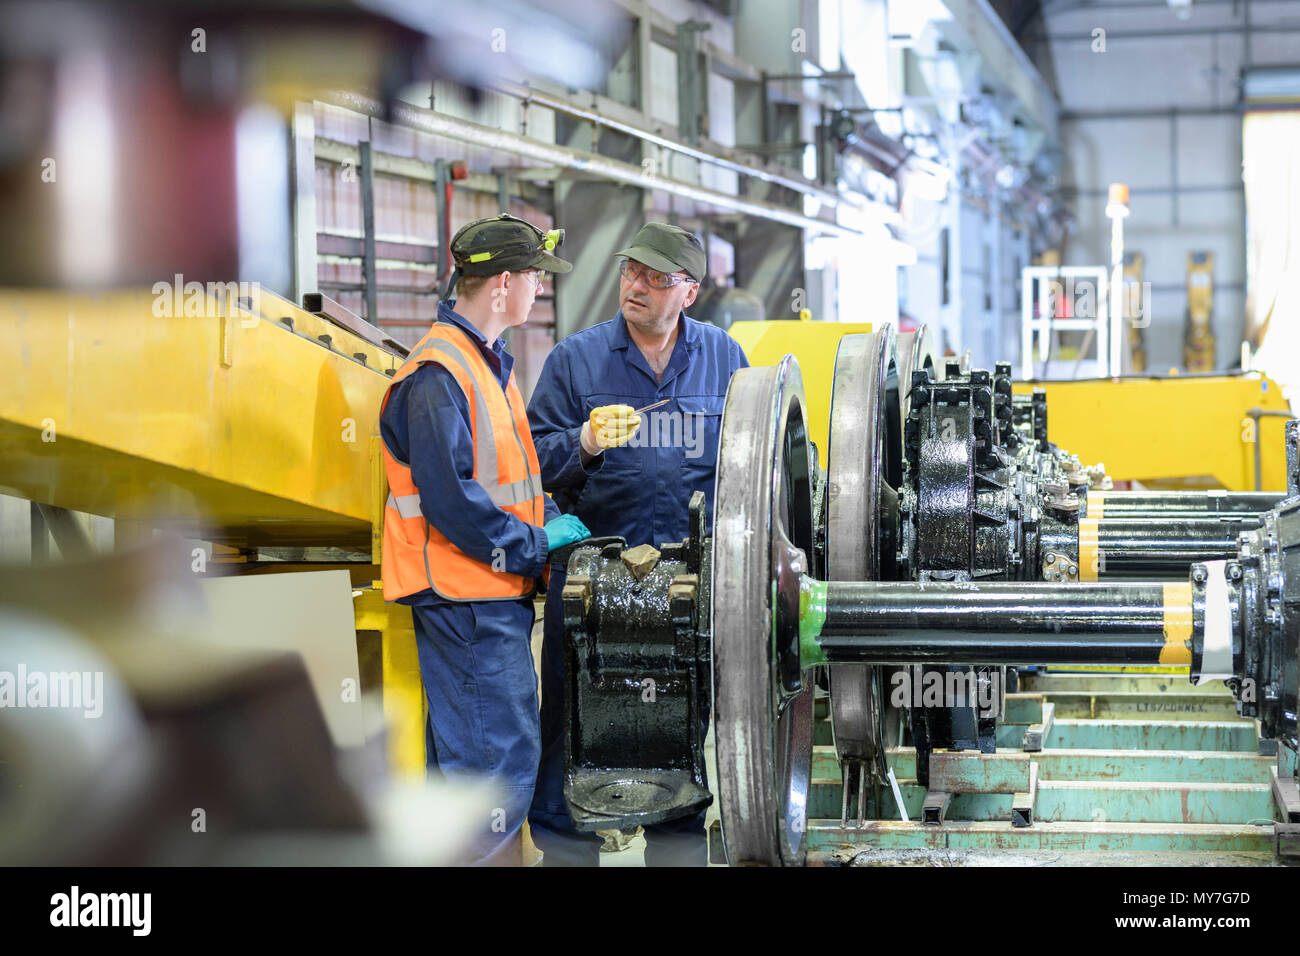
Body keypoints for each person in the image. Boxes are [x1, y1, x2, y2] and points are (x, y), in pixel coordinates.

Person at [526, 222, 749, 866]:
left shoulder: (725, 360)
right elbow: (530, 466)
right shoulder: (576, 361)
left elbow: (754, 474)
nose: (638, 287)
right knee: (571, 746)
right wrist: (585, 443)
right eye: (631, 272)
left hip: (688, 598)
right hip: (592, 596)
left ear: (690, 292)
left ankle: (676, 847)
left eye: (657, 278)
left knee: (679, 749)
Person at [378, 213, 590, 865]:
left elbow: (511, 477)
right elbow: (453, 503)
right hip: (466, 599)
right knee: (493, 780)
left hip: (487, 596)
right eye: (534, 278)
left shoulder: (487, 367)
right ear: (502, 284)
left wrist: (549, 520)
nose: (539, 291)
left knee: (478, 775)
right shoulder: (440, 375)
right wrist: (534, 546)